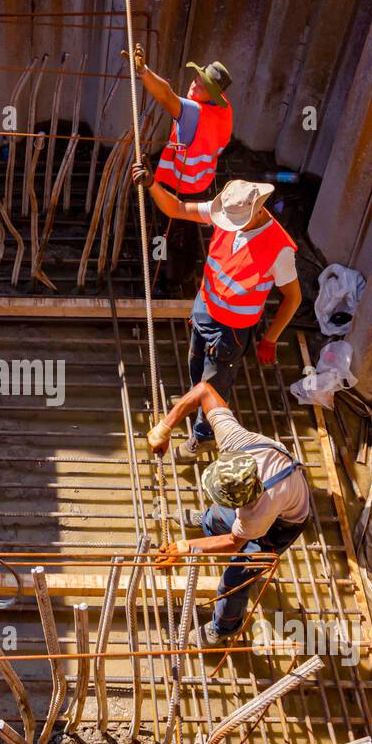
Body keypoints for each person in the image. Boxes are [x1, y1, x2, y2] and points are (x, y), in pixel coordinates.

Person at [131, 163, 303, 459]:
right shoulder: (225, 211)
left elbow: (293, 298)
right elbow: (177, 209)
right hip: (204, 315)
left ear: (257, 211)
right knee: (197, 371)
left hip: (230, 333)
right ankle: (193, 400)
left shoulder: (279, 250)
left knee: (214, 386)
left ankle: (204, 436)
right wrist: (152, 185)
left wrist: (269, 339)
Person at [146, 379, 310, 647]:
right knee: (216, 517)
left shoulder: (257, 510)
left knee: (234, 579)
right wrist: (164, 428)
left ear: (245, 501)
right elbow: (204, 390)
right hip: (276, 491)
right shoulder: (236, 440)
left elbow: (235, 542)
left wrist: (184, 548)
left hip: (283, 523)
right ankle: (210, 521)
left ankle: (224, 627)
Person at [121, 44, 233, 293]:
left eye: (202, 85)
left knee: (172, 228)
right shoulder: (224, 108)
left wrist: (144, 72)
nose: (195, 84)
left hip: (180, 184)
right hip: (201, 182)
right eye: (197, 78)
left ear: (212, 95)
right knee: (189, 226)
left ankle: (169, 279)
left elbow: (166, 96)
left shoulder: (195, 113)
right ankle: (185, 265)